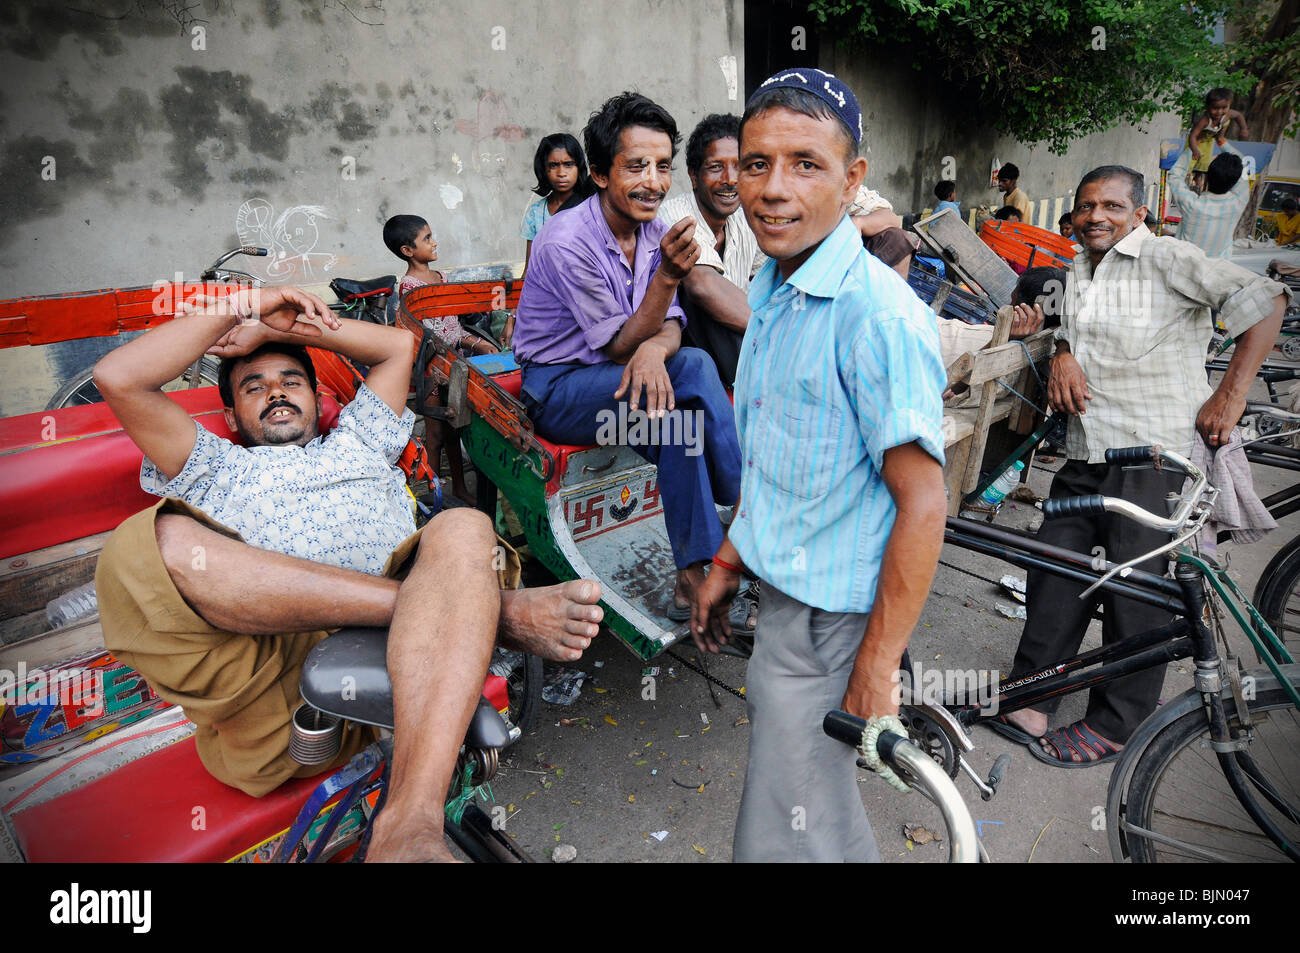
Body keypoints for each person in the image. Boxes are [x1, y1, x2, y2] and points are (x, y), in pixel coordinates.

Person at [91, 286, 605, 861]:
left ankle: (408, 825)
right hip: (283, 681)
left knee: (462, 527)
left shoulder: (359, 440)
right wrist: (246, 304)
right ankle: (495, 612)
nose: (276, 392)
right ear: (232, 415)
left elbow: (396, 346)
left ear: (316, 396)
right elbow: (120, 378)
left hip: (418, 665)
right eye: (253, 387)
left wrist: (276, 331)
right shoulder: (215, 467)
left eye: (291, 381)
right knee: (156, 541)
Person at [691, 67, 948, 862]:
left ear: (853, 180)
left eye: (806, 164)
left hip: (833, 621)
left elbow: (923, 502)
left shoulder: (876, 318)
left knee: (786, 823)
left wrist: (875, 664)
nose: (772, 188)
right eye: (756, 164)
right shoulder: (774, 282)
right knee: (809, 809)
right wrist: (732, 557)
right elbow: (783, 459)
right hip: (788, 597)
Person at [992, 165, 1288, 766]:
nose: (1096, 215)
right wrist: (1064, 354)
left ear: (1139, 214)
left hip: (1155, 454)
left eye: (1111, 206)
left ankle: (1118, 723)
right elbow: (1071, 326)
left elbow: (1267, 301)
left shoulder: (1166, 259)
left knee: (1137, 589)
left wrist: (1230, 394)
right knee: (1057, 570)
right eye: (1086, 205)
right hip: (1086, 449)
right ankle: (1033, 695)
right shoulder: (1077, 268)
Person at [512, 92, 743, 622]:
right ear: (599, 175)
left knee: (679, 426)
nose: (654, 182)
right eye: (636, 166)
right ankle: (747, 509)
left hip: (616, 380)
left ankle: (692, 576)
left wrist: (653, 354)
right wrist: (663, 292)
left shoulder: (655, 230)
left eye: (663, 166)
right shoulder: (566, 240)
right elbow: (618, 344)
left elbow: (672, 326)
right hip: (560, 390)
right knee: (698, 367)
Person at [383, 214, 496, 504]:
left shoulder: (441, 278)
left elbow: (453, 327)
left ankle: (459, 487)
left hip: (453, 364)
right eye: (427, 238)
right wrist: (442, 363)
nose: (435, 243)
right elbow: (426, 335)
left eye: (432, 236)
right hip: (431, 368)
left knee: (454, 430)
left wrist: (478, 343)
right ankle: (435, 497)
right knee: (434, 435)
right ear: (408, 251)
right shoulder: (409, 287)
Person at [656, 113, 766, 387]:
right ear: (694, 175)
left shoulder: (745, 217)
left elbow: (767, 279)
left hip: (742, 337)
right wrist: (780, 333)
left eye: (739, 167)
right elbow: (703, 286)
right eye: (716, 167)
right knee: (702, 295)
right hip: (687, 343)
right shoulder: (675, 215)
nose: (730, 180)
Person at [519, 132, 595, 284]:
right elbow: (530, 268)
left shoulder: (591, 207)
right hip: (547, 294)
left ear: (579, 167)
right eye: (553, 165)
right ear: (543, 169)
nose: (561, 173)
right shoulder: (536, 213)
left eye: (568, 164)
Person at [1168, 139, 1249, 259]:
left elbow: (1175, 175)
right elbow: (1244, 164)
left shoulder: (1192, 204)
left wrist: (1193, 145)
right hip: (1217, 271)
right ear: (1235, 182)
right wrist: (1221, 140)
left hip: (1183, 267)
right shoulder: (1238, 202)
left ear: (1207, 177)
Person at [1187, 88, 1249, 193]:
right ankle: (1191, 176)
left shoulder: (1228, 114)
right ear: (1207, 107)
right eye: (1215, 108)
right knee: (1192, 161)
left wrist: (1243, 128)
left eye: (1224, 107)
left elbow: (1239, 116)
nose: (1220, 112)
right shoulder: (1205, 120)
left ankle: (1199, 178)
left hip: (1211, 139)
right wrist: (1194, 149)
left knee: (1205, 162)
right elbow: (1192, 135)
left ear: (1229, 105)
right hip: (1198, 142)